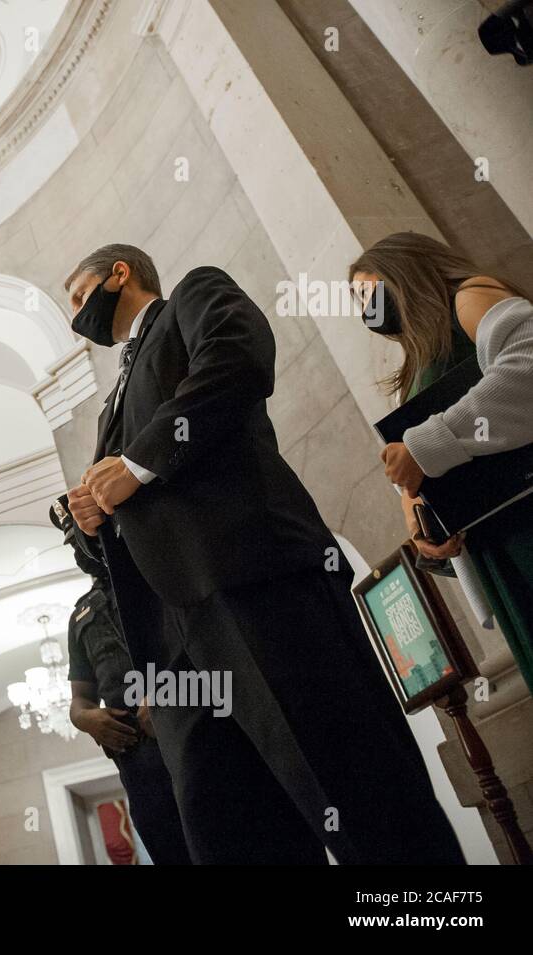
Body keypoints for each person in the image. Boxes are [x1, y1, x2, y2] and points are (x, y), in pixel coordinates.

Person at [62, 244, 463, 864]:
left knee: (350, 783)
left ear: (121, 274)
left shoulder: (192, 297)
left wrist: (137, 466)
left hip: (249, 580)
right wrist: (93, 520)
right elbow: (119, 506)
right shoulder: (110, 404)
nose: (75, 318)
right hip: (170, 644)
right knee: (226, 826)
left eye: (81, 296)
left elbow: (239, 358)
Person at [350, 232, 533, 693]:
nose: (364, 307)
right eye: (355, 301)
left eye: (367, 290)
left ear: (403, 271)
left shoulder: (468, 297)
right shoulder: (412, 369)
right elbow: (412, 470)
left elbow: (526, 367)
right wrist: (420, 524)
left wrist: (427, 445)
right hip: (491, 541)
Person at [50, 496, 191, 865]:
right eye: (72, 543)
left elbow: (203, 647)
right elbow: (80, 696)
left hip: (191, 742)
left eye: (82, 537)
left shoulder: (156, 574)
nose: (79, 551)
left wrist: (164, 698)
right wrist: (84, 718)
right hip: (138, 764)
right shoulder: (80, 614)